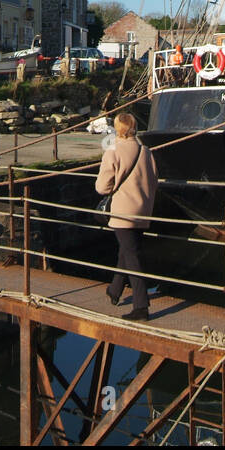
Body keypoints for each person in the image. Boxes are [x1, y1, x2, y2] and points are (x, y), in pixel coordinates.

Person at [95, 112, 158, 321]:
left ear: (118, 129)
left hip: (123, 211)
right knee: (128, 250)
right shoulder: (145, 150)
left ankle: (141, 306)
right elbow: (154, 180)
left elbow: (102, 187)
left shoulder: (113, 150)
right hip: (143, 209)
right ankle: (115, 289)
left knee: (132, 256)